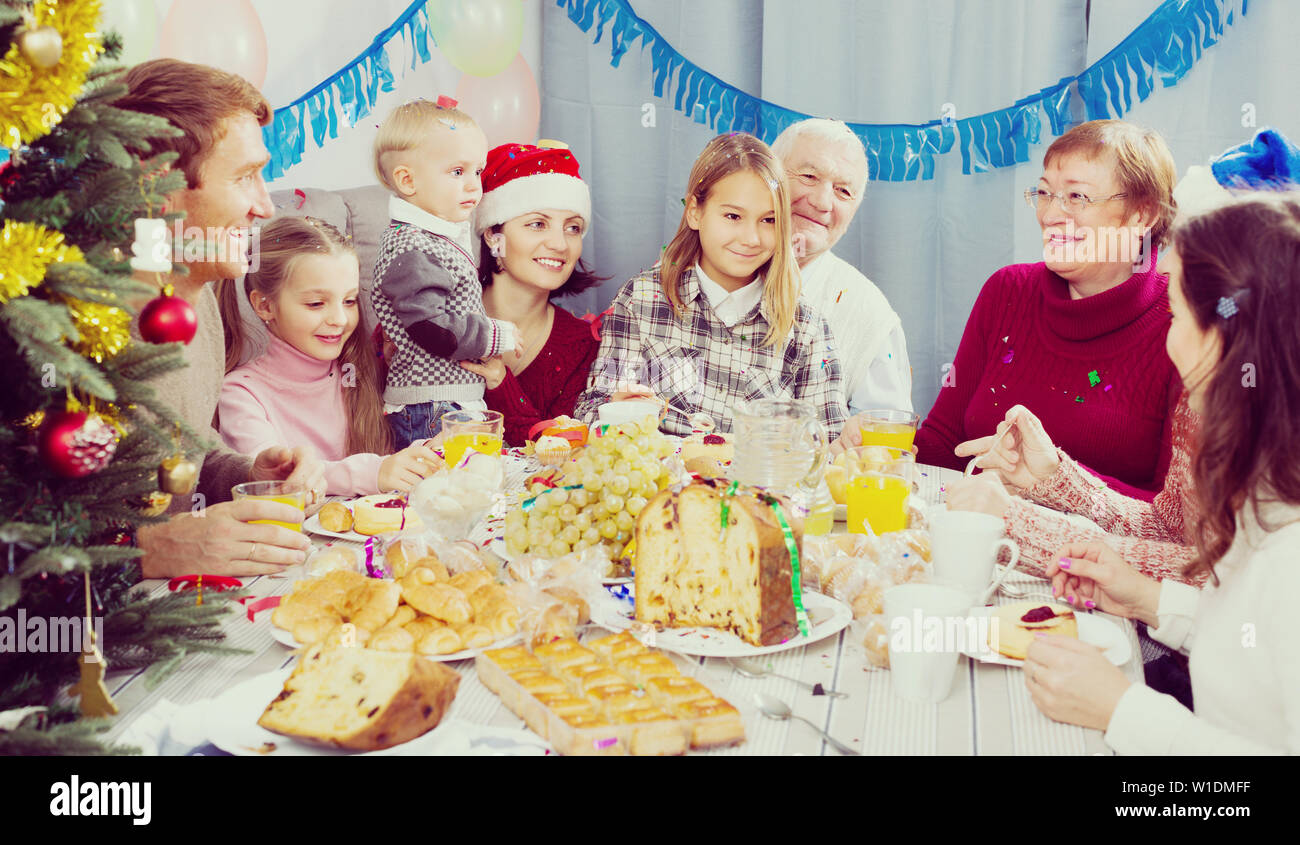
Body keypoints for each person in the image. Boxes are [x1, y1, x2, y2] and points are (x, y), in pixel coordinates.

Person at [1020, 192, 1300, 754]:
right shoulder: (1266, 487)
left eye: (1174, 314)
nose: (1167, 339)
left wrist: (1120, 709)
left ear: (1224, 337)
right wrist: (1147, 600)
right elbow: (1259, 654)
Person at [840, 120, 1183, 501]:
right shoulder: (1008, 292)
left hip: (1088, 559)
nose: (1050, 214)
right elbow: (948, 443)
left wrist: (1052, 480)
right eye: (1045, 193)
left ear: (1142, 215)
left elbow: (1173, 519)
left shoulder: (1185, 325)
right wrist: (887, 451)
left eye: (1077, 197)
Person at [114, 59, 321, 578]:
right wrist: (149, 551)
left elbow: (179, 452)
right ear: (158, 187)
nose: (265, 206)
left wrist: (246, 472)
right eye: (245, 177)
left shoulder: (199, 295)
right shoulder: (56, 326)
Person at [573, 132, 847, 440]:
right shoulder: (642, 300)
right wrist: (614, 410)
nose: (751, 238)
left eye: (768, 220)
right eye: (733, 216)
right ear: (695, 212)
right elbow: (592, 409)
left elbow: (829, 441)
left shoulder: (805, 328)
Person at [216, 217, 441, 494]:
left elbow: (392, 456)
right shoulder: (241, 393)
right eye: (316, 303)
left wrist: (428, 452)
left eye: (348, 301)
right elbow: (273, 481)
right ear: (265, 305)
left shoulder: (360, 370)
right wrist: (374, 472)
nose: (339, 319)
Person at [369, 97, 522, 449]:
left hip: (451, 398)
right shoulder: (411, 246)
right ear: (407, 180)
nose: (473, 185)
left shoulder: (435, 237)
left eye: (478, 171)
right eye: (457, 172)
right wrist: (495, 335)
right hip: (433, 403)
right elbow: (432, 328)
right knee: (449, 493)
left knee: (469, 489)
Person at [458, 142, 602, 447]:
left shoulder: (582, 345)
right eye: (537, 224)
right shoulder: (444, 314)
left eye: (573, 228)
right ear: (492, 236)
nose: (560, 244)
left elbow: (558, 453)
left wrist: (500, 382)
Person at [771, 118, 913, 413]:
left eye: (843, 192)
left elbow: (881, 447)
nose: (823, 202)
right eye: (809, 176)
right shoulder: (706, 270)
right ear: (769, 177)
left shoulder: (870, 315)